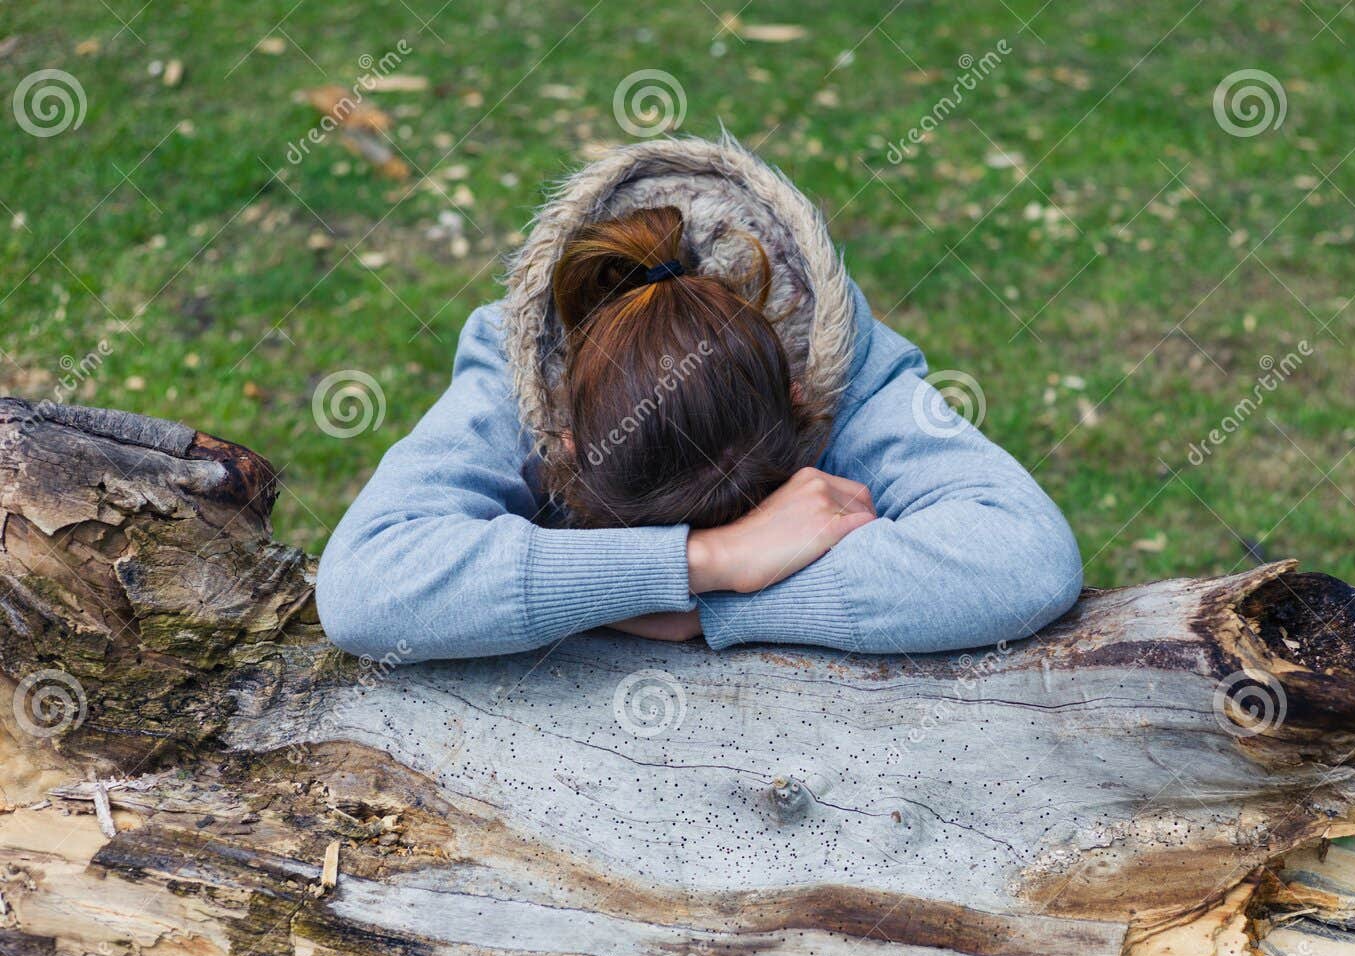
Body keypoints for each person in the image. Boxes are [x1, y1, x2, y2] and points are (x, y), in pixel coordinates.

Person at [316, 138, 1083, 661]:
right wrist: (708, 560)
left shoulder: (834, 355)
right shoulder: (522, 375)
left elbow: (1024, 559)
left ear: (799, 401)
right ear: (569, 446)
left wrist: (705, 611)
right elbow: (365, 588)